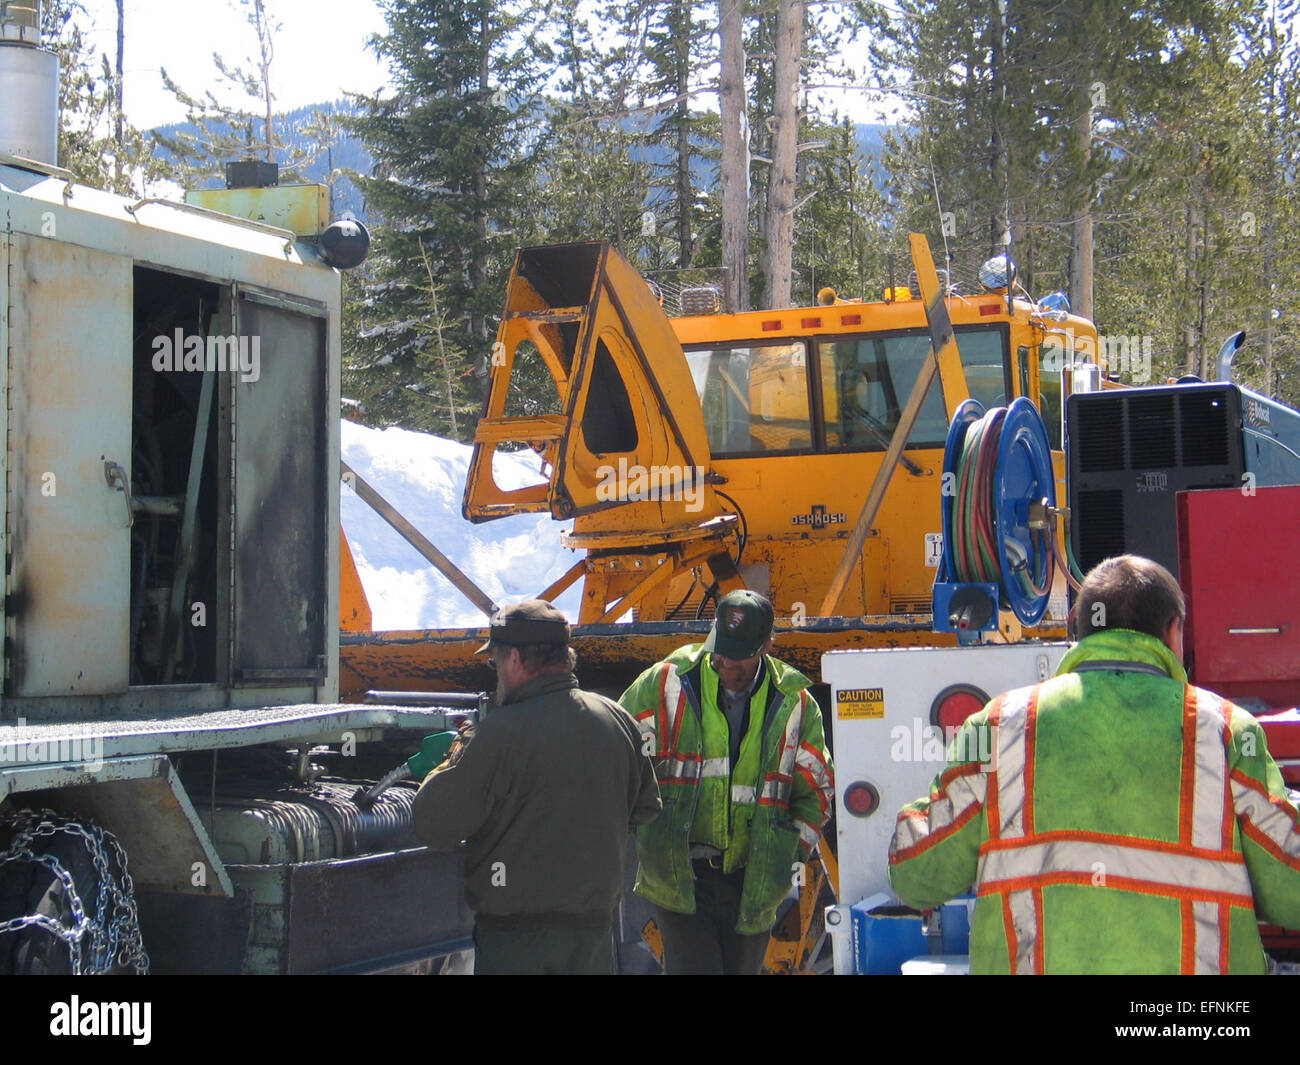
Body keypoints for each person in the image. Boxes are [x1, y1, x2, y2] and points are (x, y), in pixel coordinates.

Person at [888, 554, 1300, 974]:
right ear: (1175, 631)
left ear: (1076, 624)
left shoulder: (996, 725)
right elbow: (1292, 890)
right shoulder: (1227, 730)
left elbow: (918, 875)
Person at [412, 599, 661, 975]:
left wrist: (449, 759)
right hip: (593, 935)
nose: (495, 673)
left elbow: (434, 824)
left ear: (514, 658)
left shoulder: (497, 734)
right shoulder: (616, 720)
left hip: (516, 941)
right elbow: (645, 808)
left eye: (494, 661)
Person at [620, 589, 834, 974]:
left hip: (753, 881)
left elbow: (815, 792)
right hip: (679, 876)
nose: (726, 665)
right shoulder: (664, 682)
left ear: (767, 646)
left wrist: (788, 856)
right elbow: (616, 757)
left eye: (740, 659)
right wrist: (641, 829)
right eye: (721, 653)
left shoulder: (795, 703)